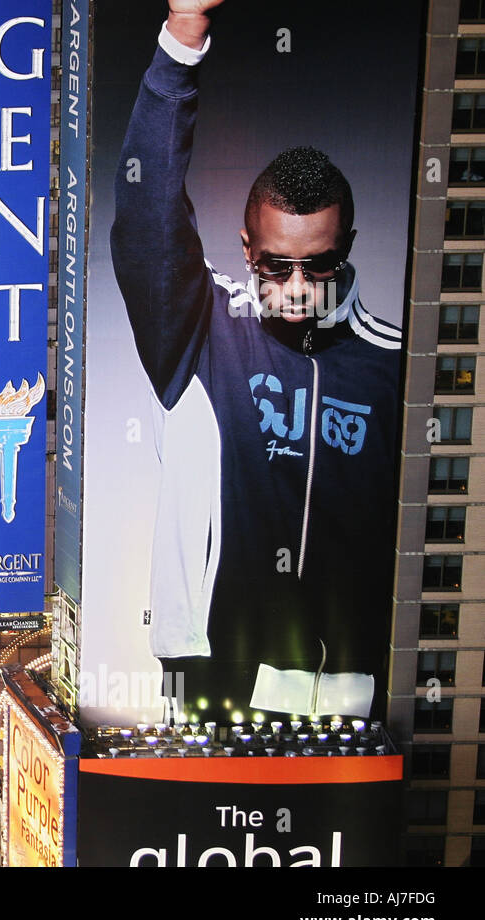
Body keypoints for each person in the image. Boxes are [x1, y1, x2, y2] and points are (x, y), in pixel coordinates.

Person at [110, 0, 403, 719]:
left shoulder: (397, 368)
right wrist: (181, 38)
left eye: (319, 265)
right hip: (215, 673)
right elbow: (147, 216)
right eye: (277, 267)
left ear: (349, 246)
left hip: (351, 693)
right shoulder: (200, 331)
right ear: (246, 251)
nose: (298, 289)